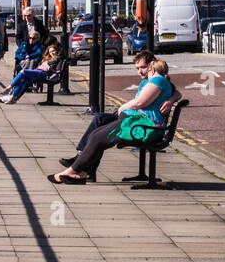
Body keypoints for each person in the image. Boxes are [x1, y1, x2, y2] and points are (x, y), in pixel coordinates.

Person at [49, 59, 177, 183]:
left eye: (144, 68)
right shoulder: (160, 81)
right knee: (96, 134)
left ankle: (71, 171)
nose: (141, 72)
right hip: (140, 124)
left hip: (144, 127)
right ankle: (81, 171)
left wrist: (122, 108)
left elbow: (141, 102)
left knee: (97, 138)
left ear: (152, 69)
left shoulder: (157, 80)